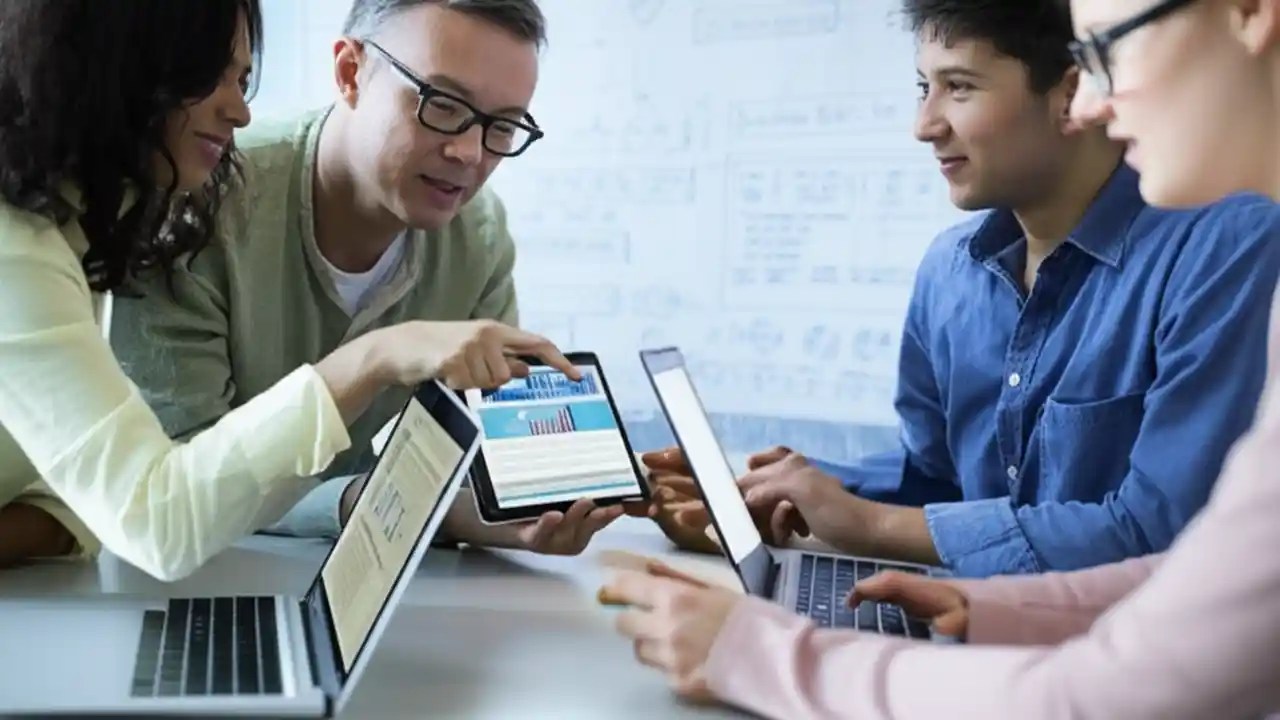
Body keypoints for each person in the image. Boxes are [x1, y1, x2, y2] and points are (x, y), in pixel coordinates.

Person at [603, 0, 1280, 716]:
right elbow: (1186, 578)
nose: (924, 125)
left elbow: (1144, 598)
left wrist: (761, 650)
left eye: (960, 87)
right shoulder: (952, 269)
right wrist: (789, 500)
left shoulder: (1234, 241)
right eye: (923, 88)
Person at [0, 0, 575, 580]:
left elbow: (83, 492)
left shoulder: (85, 223)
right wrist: (375, 357)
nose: (470, 153)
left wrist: (494, 505)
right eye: (443, 105)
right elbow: (161, 513)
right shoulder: (135, 222)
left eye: (503, 127)